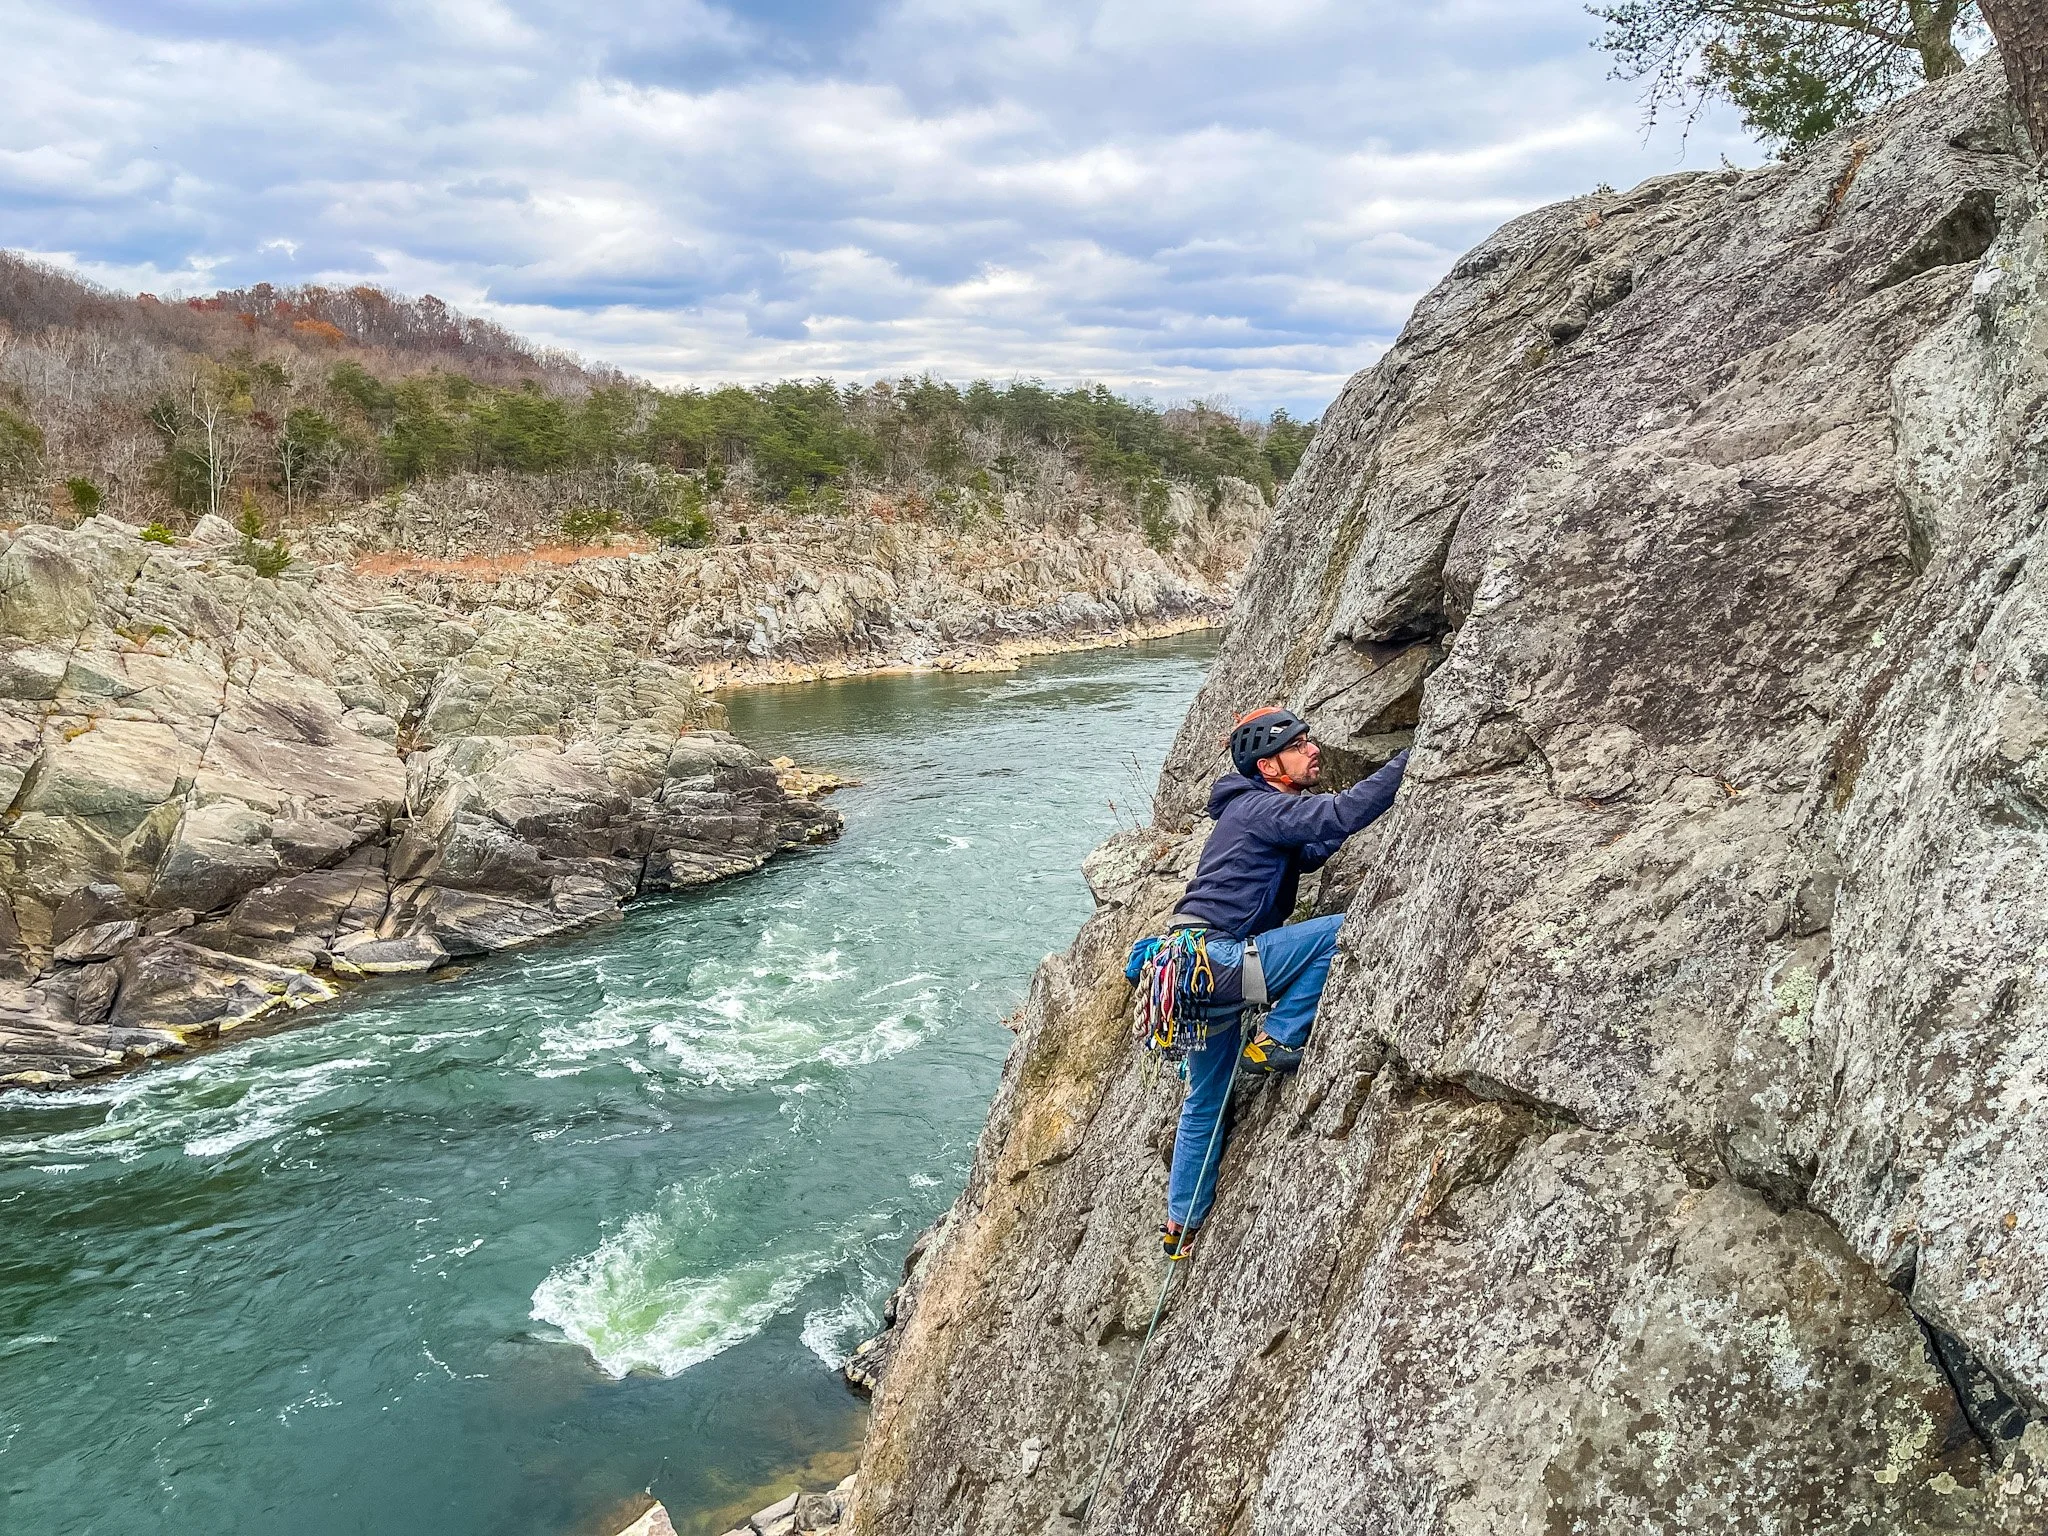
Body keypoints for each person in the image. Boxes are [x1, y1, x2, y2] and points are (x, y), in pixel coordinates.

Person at [1158, 707, 1408, 1257]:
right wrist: (1415, 758)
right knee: (1345, 930)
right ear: (1269, 766)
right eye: (1298, 745)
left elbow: (1312, 848)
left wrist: (1335, 823)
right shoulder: (1259, 808)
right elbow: (1339, 814)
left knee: (1205, 1102)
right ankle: (1279, 1037)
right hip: (1219, 961)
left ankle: (1181, 1224)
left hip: (1190, 971)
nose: (1313, 749)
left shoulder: (1252, 811)